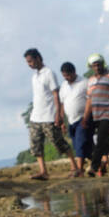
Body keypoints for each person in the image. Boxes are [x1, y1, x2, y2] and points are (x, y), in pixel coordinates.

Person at [24, 48, 68, 181]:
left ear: (38, 58)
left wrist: (58, 114)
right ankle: (43, 171)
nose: (29, 64)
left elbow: (56, 94)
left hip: (49, 115)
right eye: (27, 62)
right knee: (35, 144)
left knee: (58, 141)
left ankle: (74, 166)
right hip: (35, 116)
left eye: (30, 61)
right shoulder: (34, 76)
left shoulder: (49, 73)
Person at [58, 62, 89, 178]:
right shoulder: (63, 86)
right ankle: (99, 164)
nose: (67, 78)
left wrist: (86, 117)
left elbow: (90, 100)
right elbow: (62, 104)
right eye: (64, 76)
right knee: (77, 145)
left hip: (83, 118)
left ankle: (79, 170)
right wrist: (62, 121)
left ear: (74, 72)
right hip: (71, 120)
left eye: (68, 75)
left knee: (80, 143)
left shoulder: (84, 82)